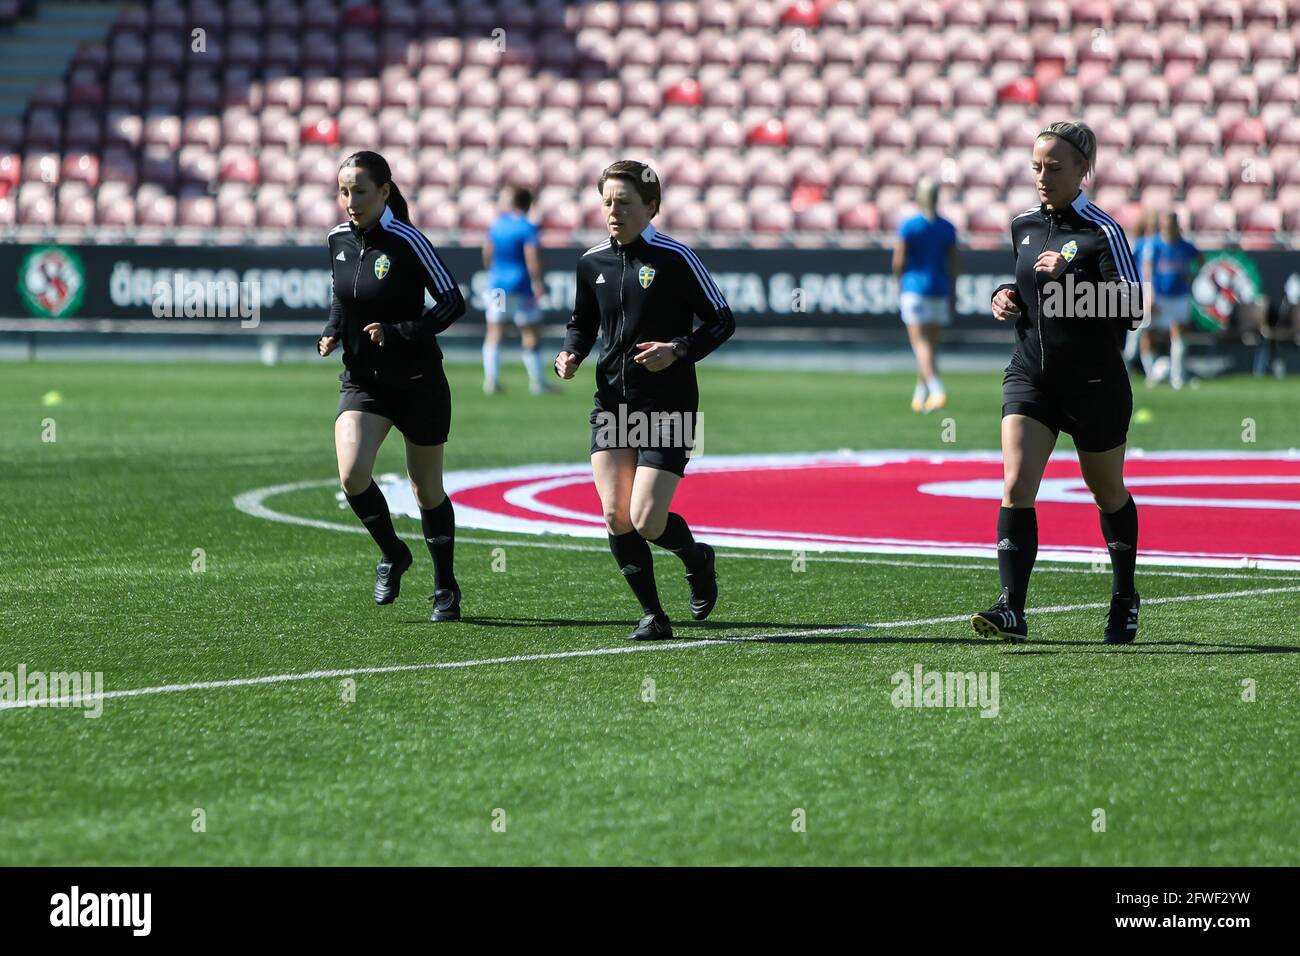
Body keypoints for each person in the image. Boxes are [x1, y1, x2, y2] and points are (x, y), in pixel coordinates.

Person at [975, 121, 1144, 645]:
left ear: (1083, 171)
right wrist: (1008, 294)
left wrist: (1074, 280)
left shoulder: (1102, 232)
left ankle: (1123, 595)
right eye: (1036, 167)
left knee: (1106, 491)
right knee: (1015, 485)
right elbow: (1029, 286)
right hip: (1030, 376)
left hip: (1094, 384)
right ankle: (1011, 609)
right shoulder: (1023, 224)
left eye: (1054, 167)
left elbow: (1132, 307)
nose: (1042, 177)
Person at [554, 160, 735, 641]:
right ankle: (654, 615)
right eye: (608, 202)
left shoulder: (676, 257)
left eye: (625, 203)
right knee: (616, 515)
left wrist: (678, 350)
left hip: (670, 406)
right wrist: (571, 353)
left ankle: (697, 557)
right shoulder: (591, 262)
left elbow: (722, 320)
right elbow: (582, 322)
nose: (613, 211)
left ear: (651, 207)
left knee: (647, 519)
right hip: (612, 403)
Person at [318, 150, 467, 622]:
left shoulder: (408, 240)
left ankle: (445, 586)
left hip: (418, 381)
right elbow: (343, 296)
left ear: (384, 192)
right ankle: (392, 553)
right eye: (344, 192)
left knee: (427, 490)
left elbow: (452, 302)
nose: (350, 201)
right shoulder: (337, 239)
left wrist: (400, 332)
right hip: (363, 382)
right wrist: (331, 329)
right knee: (352, 474)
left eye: (360, 191)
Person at [892, 177, 958, 412]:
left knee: (921, 346)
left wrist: (897, 282)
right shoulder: (947, 227)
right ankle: (920, 395)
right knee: (930, 346)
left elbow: (898, 260)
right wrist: (953, 290)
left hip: (914, 289)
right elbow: (954, 263)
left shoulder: (909, 225)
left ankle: (937, 390)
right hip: (939, 289)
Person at [482, 187, 553, 395]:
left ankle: (491, 380)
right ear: (528, 203)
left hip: (497, 286)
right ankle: (538, 383)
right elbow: (531, 256)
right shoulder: (527, 227)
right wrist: (538, 282)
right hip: (521, 286)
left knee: (495, 332)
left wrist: (493, 273)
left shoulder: (497, 225)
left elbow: (487, 253)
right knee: (530, 332)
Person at [1140, 210, 1202, 389]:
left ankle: (1177, 376)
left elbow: (1200, 260)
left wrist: (1192, 275)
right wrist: (1150, 294)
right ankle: (1151, 374)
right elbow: (1147, 269)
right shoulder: (1155, 245)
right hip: (1158, 297)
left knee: (1178, 334)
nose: (1168, 228)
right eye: (1166, 225)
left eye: (1171, 224)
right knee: (1147, 333)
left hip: (1179, 296)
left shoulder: (1185, 246)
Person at [1122, 208, 1157, 369]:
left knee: (1146, 333)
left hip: (1156, 292)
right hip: (1141, 293)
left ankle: (1149, 371)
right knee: (1138, 330)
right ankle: (1127, 363)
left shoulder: (1159, 244)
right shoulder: (1141, 245)